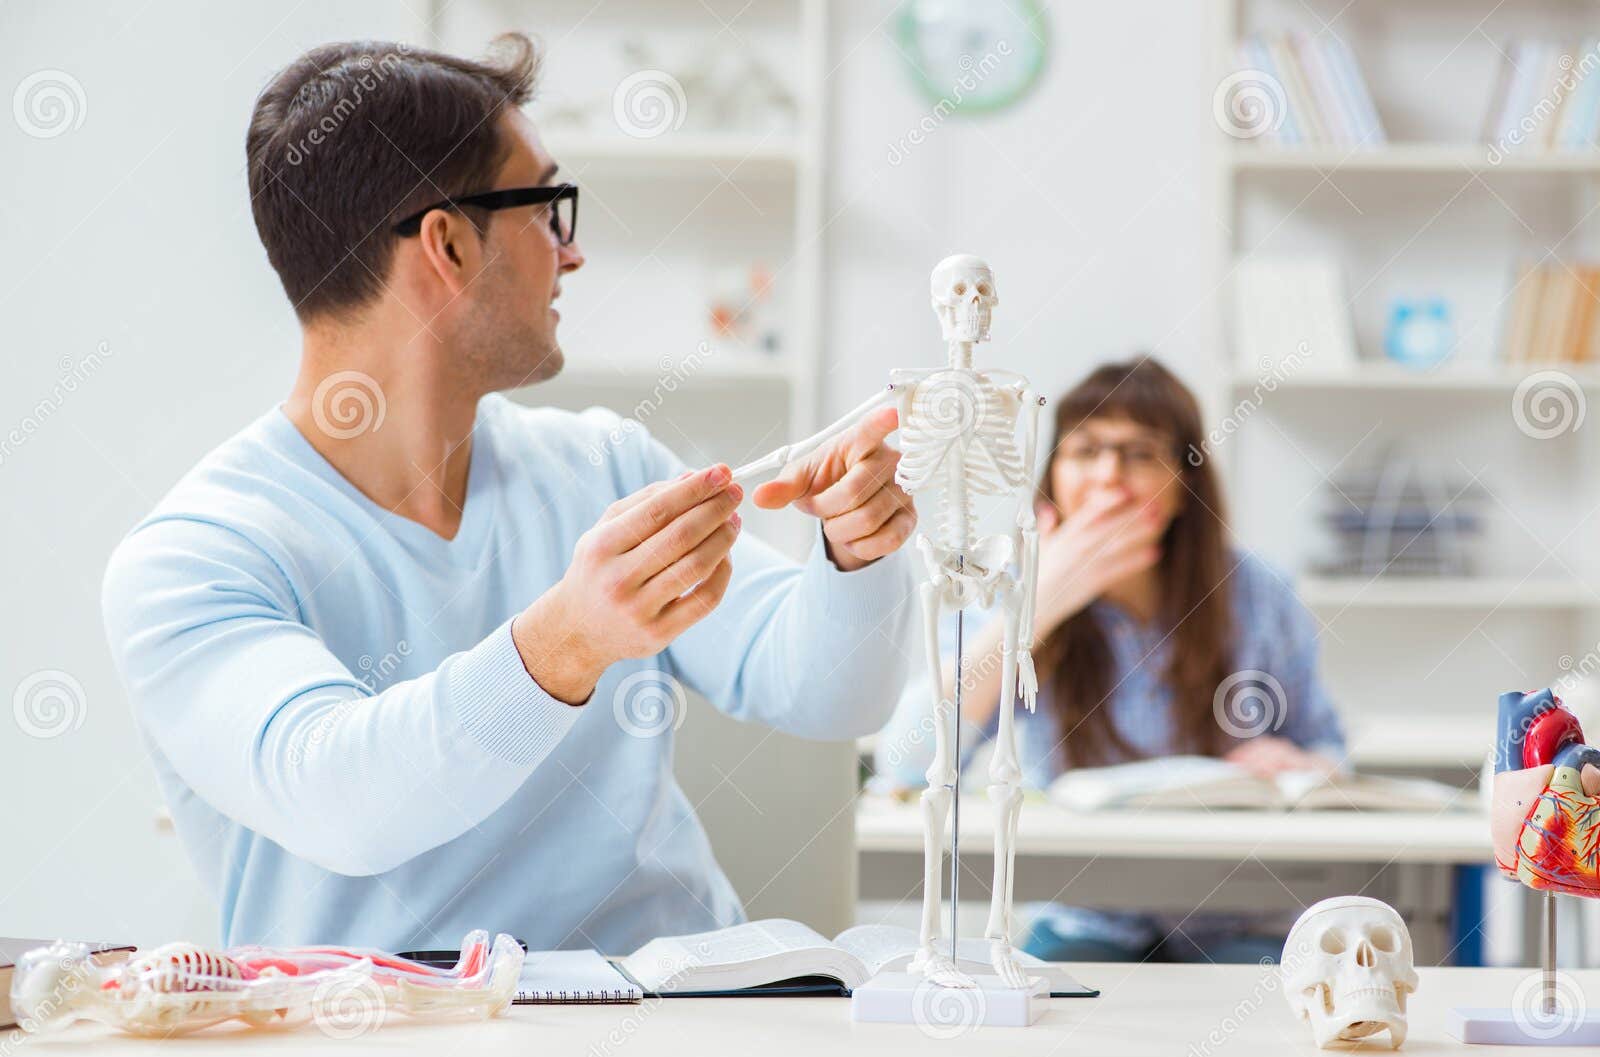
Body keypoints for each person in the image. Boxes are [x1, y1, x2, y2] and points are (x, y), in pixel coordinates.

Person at [100, 36, 918, 952]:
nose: (572, 255)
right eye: (547, 209)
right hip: (386, 1054)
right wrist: (565, 642)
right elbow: (340, 802)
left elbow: (829, 694)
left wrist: (856, 551)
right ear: (448, 244)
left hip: (670, 1022)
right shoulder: (193, 557)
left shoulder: (603, 466)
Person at [878, 357, 1345, 962]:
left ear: (1186, 482)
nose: (1108, 477)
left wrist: (1300, 763)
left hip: (1235, 916)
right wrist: (1036, 608)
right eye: (1085, 451)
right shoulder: (1007, 589)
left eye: (1140, 453)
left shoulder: (1258, 595)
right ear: (1053, 477)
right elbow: (907, 762)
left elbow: (1331, 754)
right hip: (1085, 916)